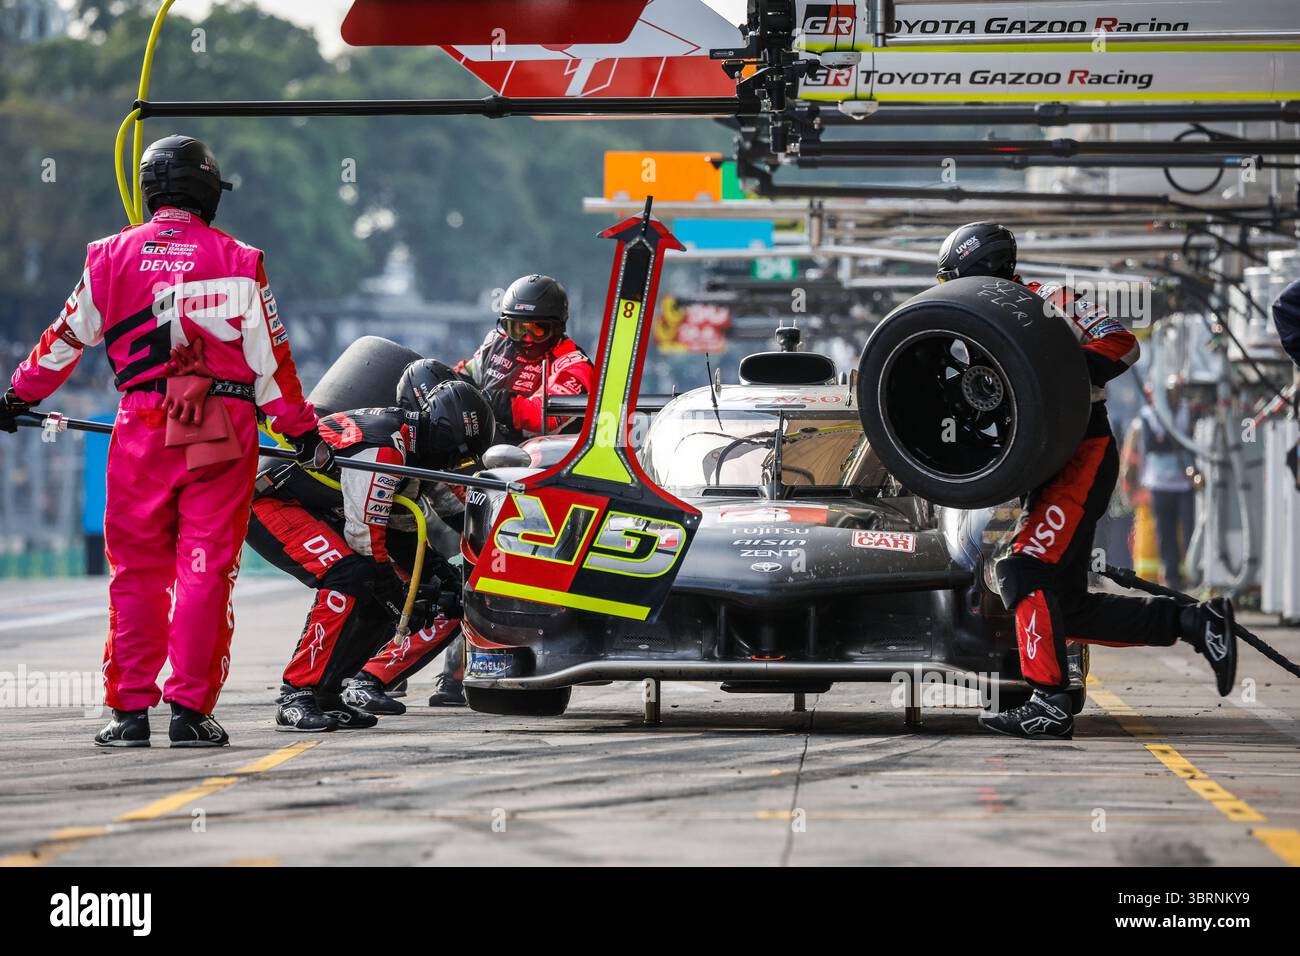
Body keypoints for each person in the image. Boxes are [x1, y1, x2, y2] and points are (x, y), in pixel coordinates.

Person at [0, 134, 319, 748]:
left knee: (137, 573)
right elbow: (272, 368)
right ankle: (191, 713)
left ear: (149, 191)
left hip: (141, 422)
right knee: (204, 569)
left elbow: (63, 339)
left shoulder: (107, 255)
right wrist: (304, 435)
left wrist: (18, 396)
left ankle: (128, 714)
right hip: (218, 422)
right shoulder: (241, 259)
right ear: (206, 192)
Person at [933, 222, 1237, 740]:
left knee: (1023, 573)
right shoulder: (971, 326)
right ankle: (1196, 624)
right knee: (1064, 608)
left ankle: (1049, 703)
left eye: (950, 275)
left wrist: (1052, 373)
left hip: (1081, 456)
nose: (945, 286)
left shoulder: (1049, 299)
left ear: (975, 265)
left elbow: (1121, 344)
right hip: (1036, 467)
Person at [245, 378, 493, 731]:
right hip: (270, 503)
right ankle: (295, 694)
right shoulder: (386, 449)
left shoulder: (414, 443)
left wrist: (418, 588)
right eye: (458, 454)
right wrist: (399, 596)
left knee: (379, 590)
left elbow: (405, 528)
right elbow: (366, 537)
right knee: (349, 575)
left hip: (311, 507)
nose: (456, 464)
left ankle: (328, 693)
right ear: (443, 436)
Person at [424, 273, 595, 707]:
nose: (527, 337)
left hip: (536, 488)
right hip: (478, 474)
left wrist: (512, 407)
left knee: (498, 577)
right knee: (459, 565)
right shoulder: (493, 345)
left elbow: (566, 416)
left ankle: (486, 667)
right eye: (518, 327)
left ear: (557, 327)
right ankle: (442, 672)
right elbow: (462, 377)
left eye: (538, 328)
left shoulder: (572, 364)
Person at [343, 359, 470, 716]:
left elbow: (450, 506)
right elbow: (373, 531)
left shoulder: (424, 451)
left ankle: (364, 679)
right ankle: (347, 682)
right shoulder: (391, 440)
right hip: (346, 530)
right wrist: (396, 587)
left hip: (379, 536)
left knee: (445, 596)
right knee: (372, 590)